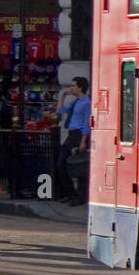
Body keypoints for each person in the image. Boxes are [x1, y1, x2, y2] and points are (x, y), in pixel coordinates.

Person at [54, 76, 91, 205]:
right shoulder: (75, 102)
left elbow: (87, 122)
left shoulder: (86, 103)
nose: (71, 88)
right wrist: (63, 96)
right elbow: (59, 110)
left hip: (79, 135)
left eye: (74, 86)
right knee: (61, 164)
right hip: (71, 134)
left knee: (77, 166)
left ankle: (78, 196)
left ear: (80, 88)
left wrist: (83, 140)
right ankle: (70, 193)